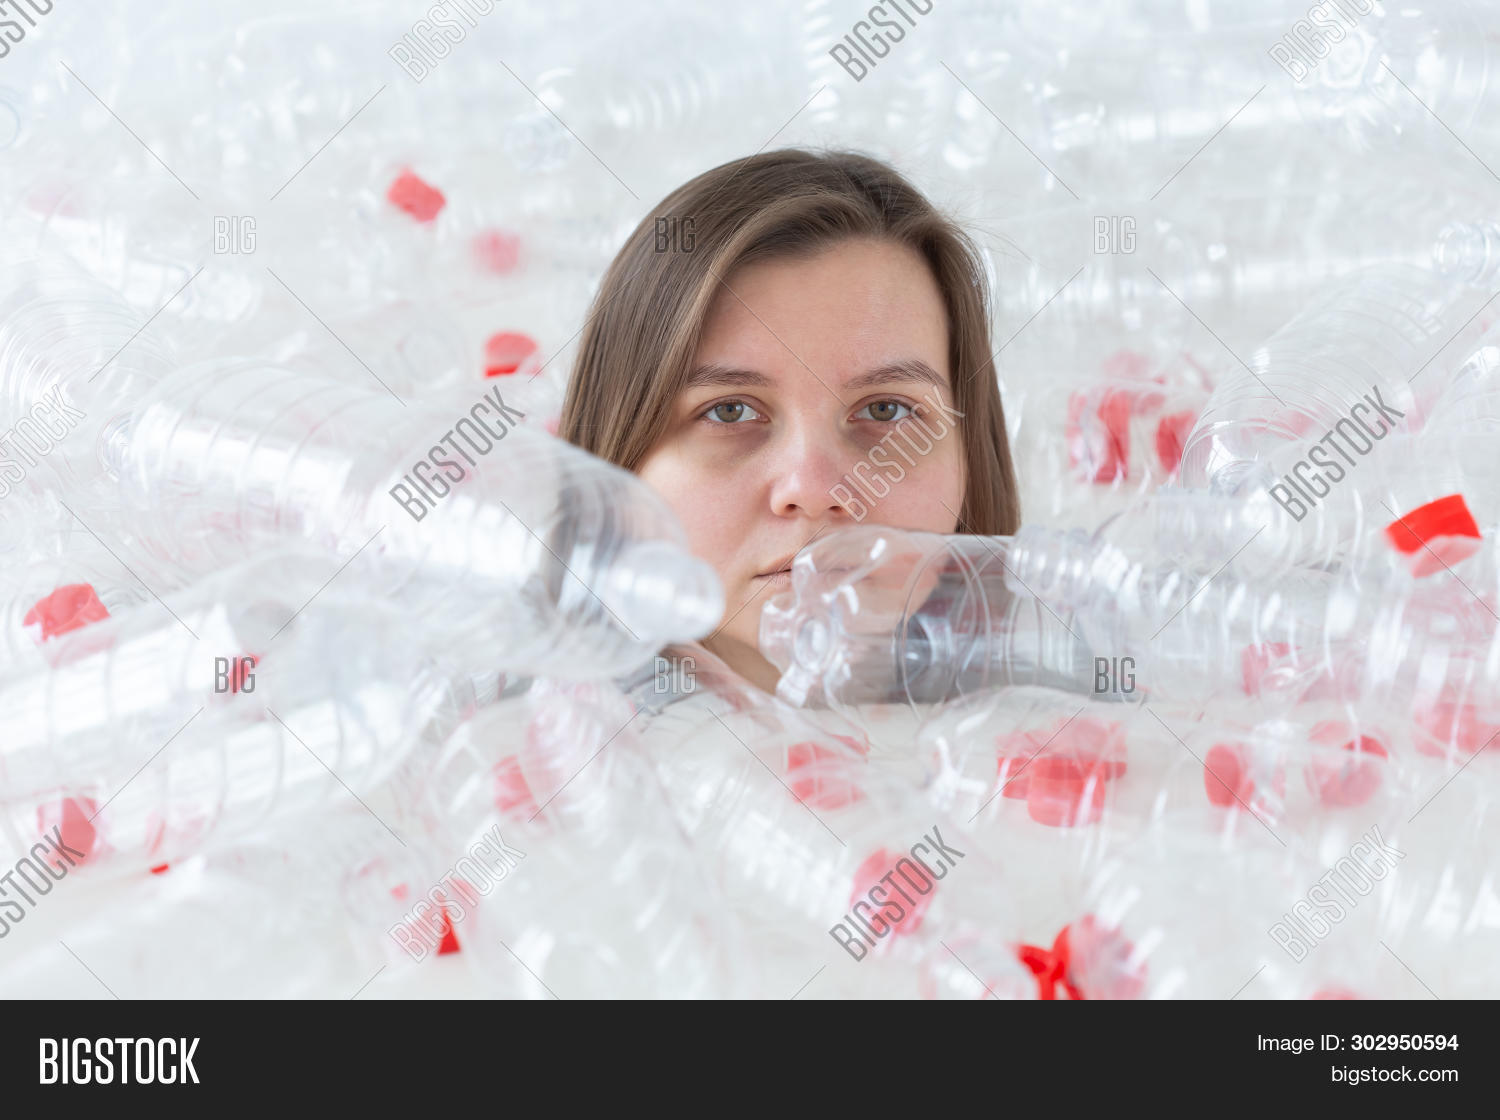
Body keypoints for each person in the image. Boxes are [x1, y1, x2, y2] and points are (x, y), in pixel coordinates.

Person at [561, 148, 1020, 695]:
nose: (818, 489)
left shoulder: (1106, 726)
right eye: (730, 411)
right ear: (610, 471)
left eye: (886, 410)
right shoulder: (492, 752)